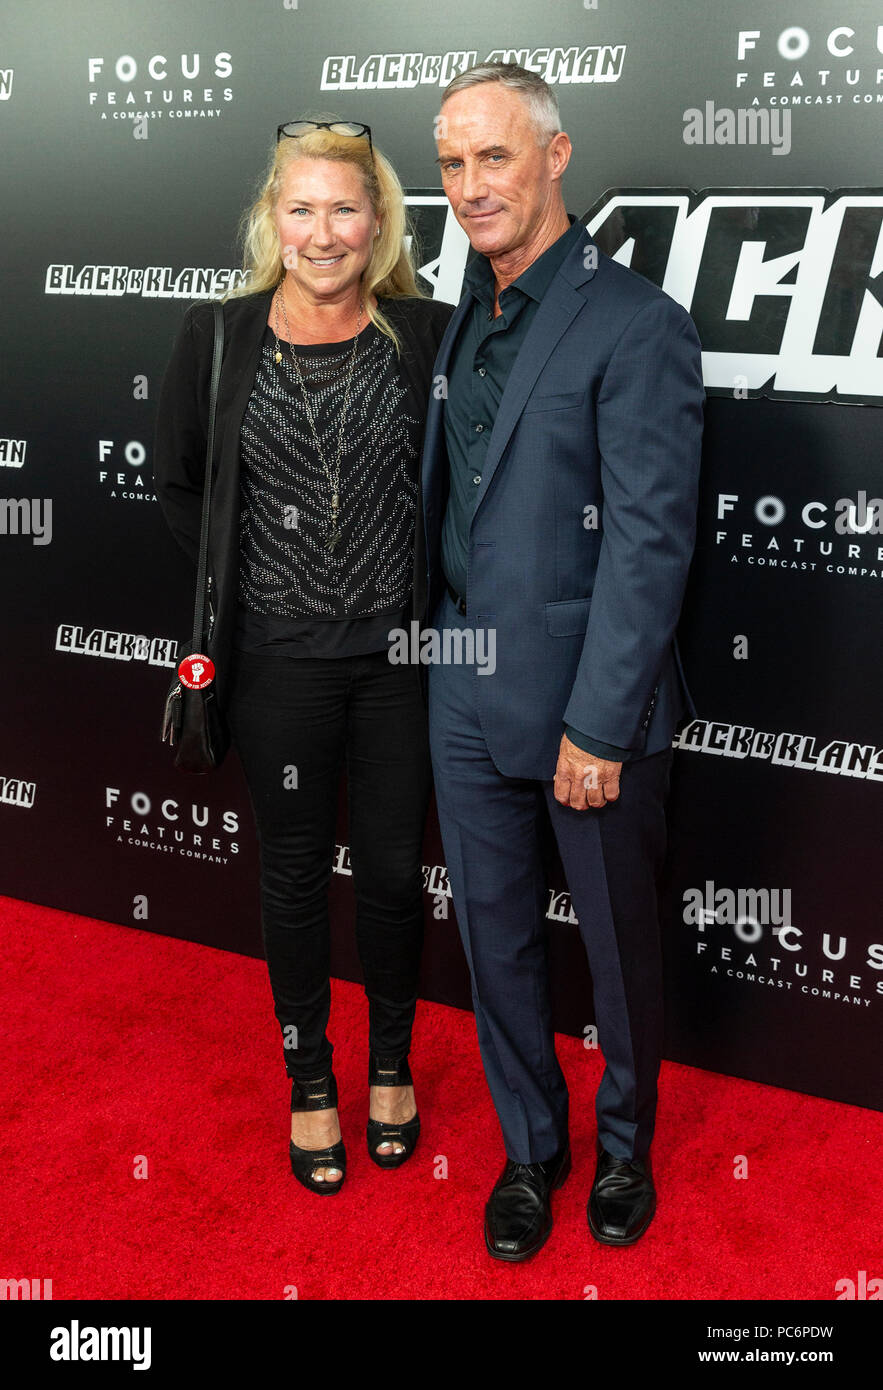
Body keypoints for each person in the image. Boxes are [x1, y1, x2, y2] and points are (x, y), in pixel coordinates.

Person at [422, 64, 705, 1259]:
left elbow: (649, 542)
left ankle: (626, 1147)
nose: (471, 186)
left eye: (494, 157)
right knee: (495, 938)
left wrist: (597, 724)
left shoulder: (637, 323)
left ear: (554, 155)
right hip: (460, 687)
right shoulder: (463, 313)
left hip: (589, 708)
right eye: (449, 163)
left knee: (617, 944)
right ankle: (531, 1148)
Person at [153, 117, 453, 1194]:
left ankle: (386, 1065)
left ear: (377, 223)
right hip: (276, 659)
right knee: (290, 874)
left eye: (344, 209)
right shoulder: (221, 336)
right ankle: (311, 1078)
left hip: (399, 665)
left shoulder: (427, 335)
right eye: (300, 208)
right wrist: (250, 578)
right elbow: (183, 483)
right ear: (268, 220)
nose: (322, 232)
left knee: (386, 873)